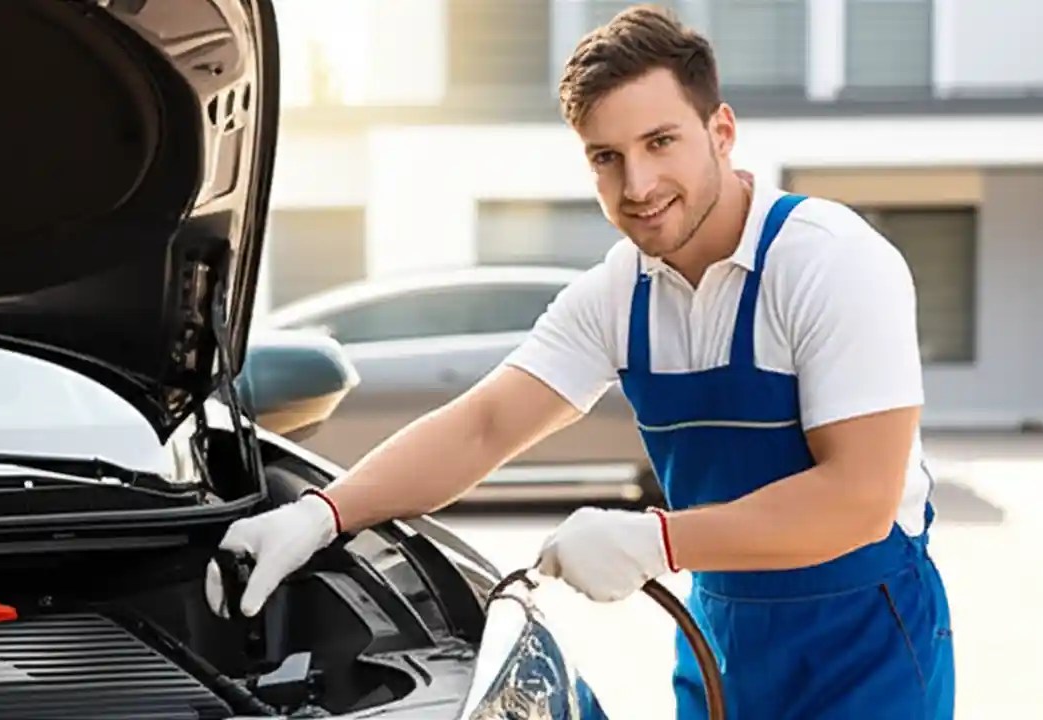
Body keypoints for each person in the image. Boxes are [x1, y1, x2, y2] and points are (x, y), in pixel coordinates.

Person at [206, 5, 955, 718]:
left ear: (721, 133)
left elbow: (857, 498)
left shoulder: (829, 262)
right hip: (723, 632)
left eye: (661, 142)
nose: (638, 187)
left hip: (865, 641)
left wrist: (657, 541)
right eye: (607, 157)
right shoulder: (617, 294)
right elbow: (485, 425)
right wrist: (320, 515)